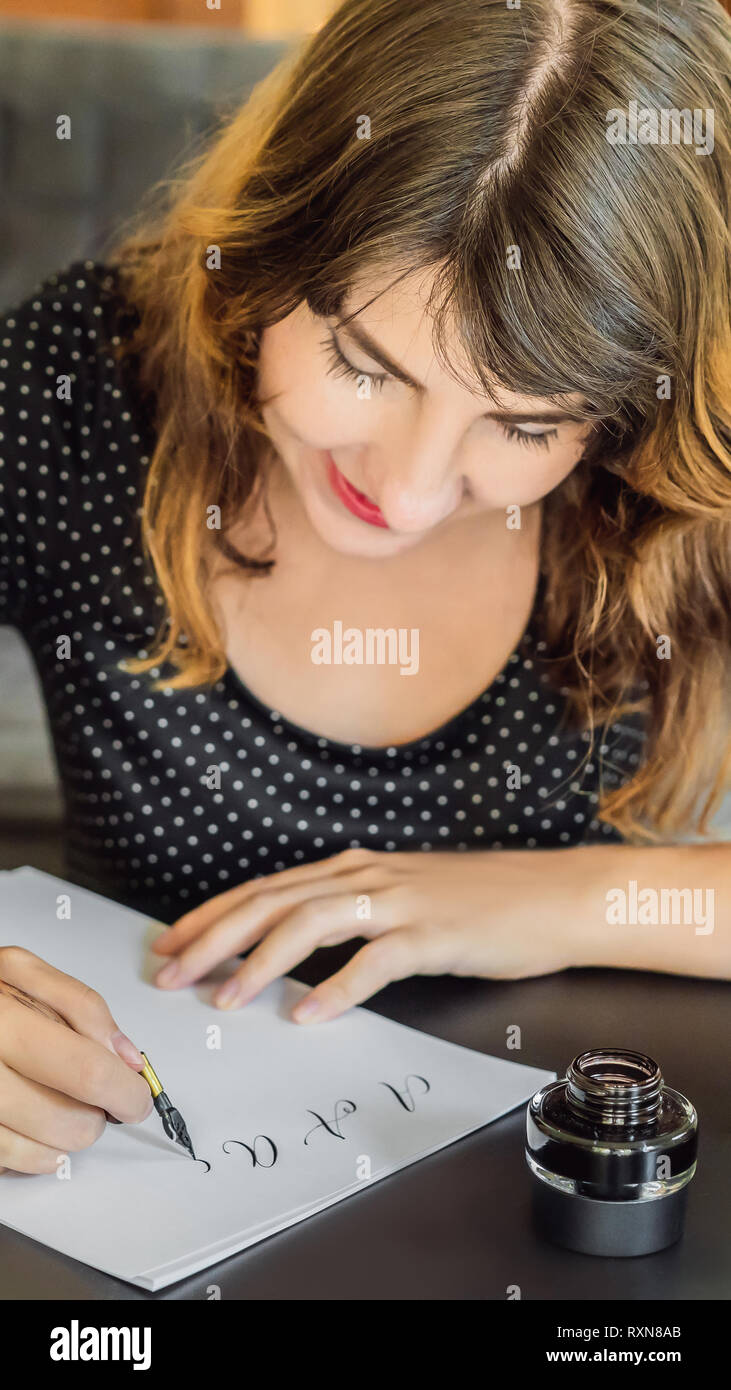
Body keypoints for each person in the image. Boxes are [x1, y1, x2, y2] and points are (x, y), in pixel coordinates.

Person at [0, 0, 729, 1175]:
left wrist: (560, 897)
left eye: (522, 424)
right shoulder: (82, 383)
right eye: (359, 361)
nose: (407, 487)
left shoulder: (686, 480)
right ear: (267, 254)